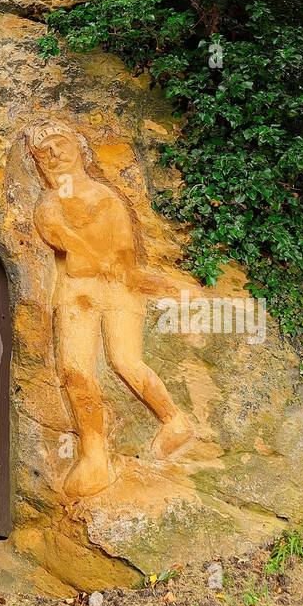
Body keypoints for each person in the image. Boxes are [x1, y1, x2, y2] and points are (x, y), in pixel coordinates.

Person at [29, 122, 194, 498]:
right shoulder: (48, 204)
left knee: (125, 361)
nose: (53, 155)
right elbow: (74, 255)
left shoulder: (105, 196)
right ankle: (94, 455)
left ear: (79, 150)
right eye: (44, 153)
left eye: (59, 144)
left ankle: (174, 419)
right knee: (75, 371)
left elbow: (114, 256)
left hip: (117, 290)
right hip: (76, 293)